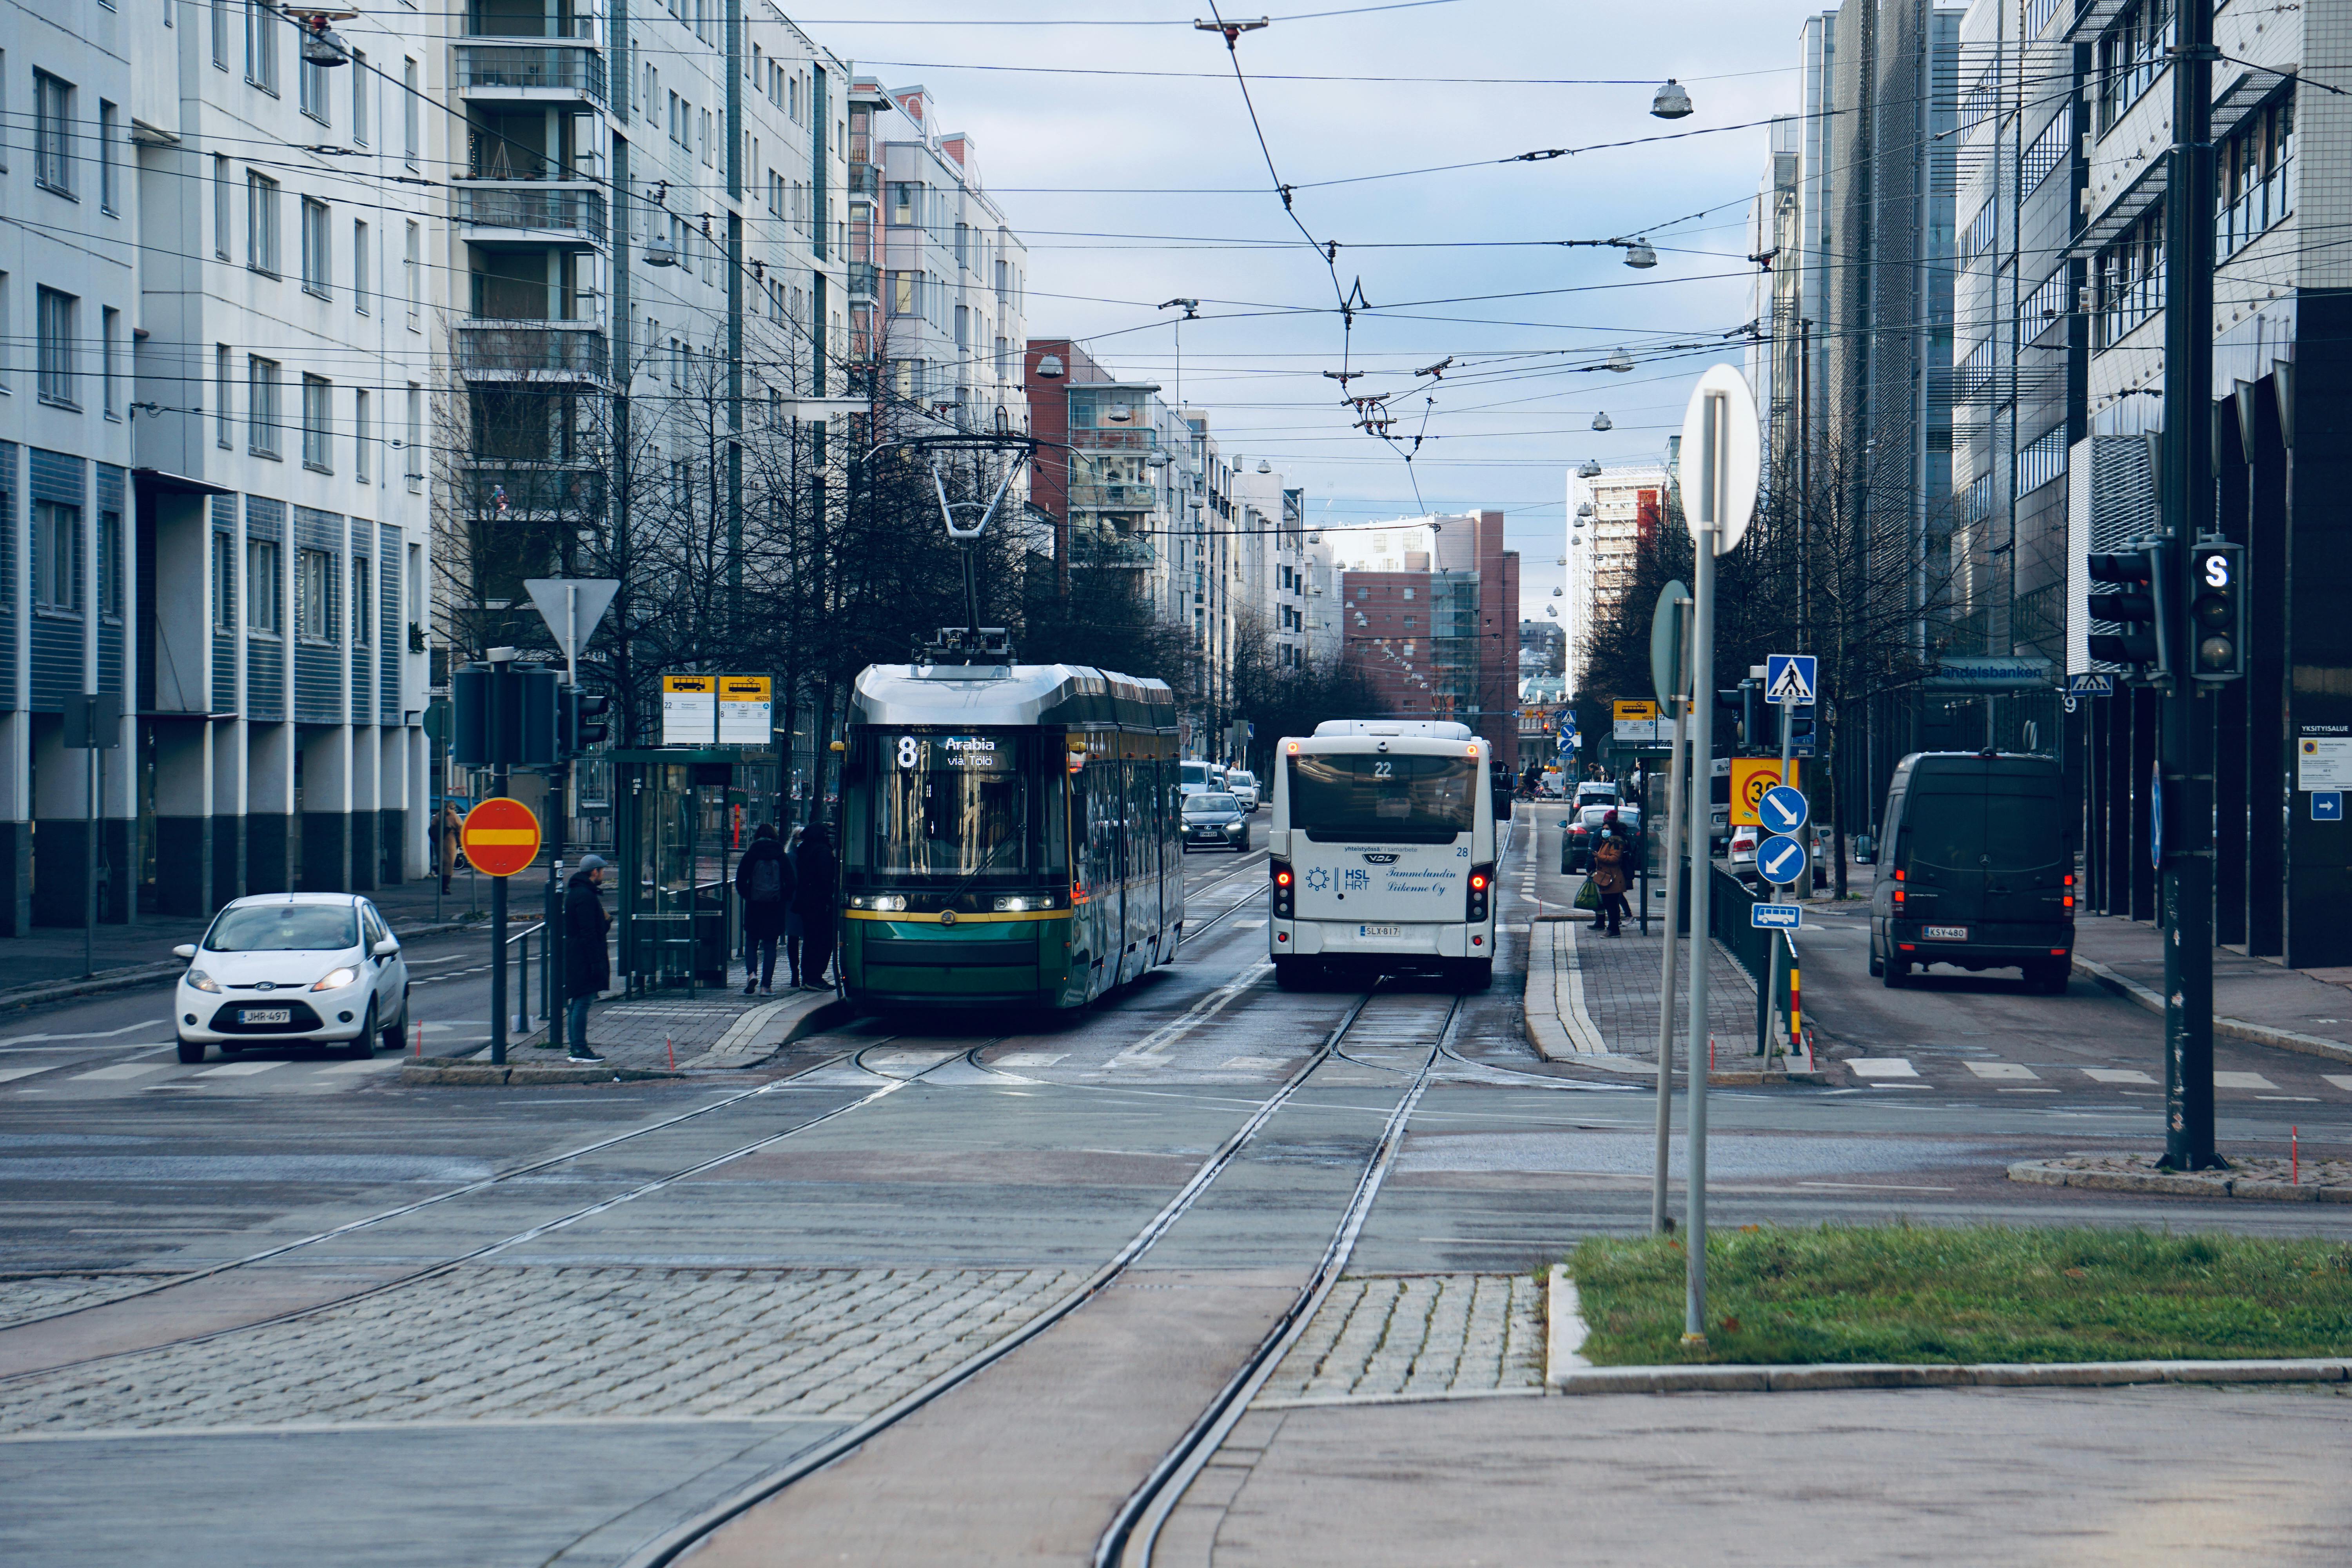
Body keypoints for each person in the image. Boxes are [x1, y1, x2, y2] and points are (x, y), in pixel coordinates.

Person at [735, 823, 795, 996]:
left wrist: (750, 895)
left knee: (752, 942)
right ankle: (765, 986)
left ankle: (752, 974)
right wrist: (782, 897)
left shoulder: (751, 855)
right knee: (770, 946)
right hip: (774, 907)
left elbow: (740, 881)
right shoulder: (781, 856)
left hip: (755, 906)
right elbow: (792, 882)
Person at [564, 854, 611, 1063]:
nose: (603, 874)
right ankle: (579, 1049)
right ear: (594, 872)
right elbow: (589, 931)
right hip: (583, 955)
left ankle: (577, 1047)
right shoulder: (585, 896)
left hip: (579, 953)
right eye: (602, 871)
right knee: (582, 1001)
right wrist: (595, 962)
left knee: (578, 1002)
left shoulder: (579, 892)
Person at [791, 822, 838, 990]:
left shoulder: (804, 850)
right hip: (820, 903)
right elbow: (826, 879)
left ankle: (808, 977)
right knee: (823, 941)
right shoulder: (823, 852)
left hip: (806, 902)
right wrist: (828, 900)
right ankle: (815, 977)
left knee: (810, 940)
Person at [1591, 811, 1632, 938]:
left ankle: (1613, 929)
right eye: (1603, 829)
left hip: (1613, 879)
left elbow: (1614, 859)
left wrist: (1599, 857)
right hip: (1606, 878)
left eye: (1607, 829)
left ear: (1613, 831)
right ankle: (1612, 928)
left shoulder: (1615, 843)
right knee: (1609, 904)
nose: (1604, 831)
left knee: (1612, 905)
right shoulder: (1606, 842)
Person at [438, 802, 463, 895]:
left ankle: (441, 886)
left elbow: (432, 827)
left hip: (438, 841)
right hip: (450, 842)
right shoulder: (455, 817)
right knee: (449, 865)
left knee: (441, 863)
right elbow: (461, 829)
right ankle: (446, 888)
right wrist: (460, 843)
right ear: (454, 807)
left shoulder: (439, 815)